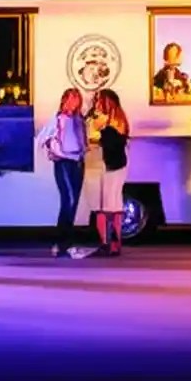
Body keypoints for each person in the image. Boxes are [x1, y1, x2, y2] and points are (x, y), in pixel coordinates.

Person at [86, 89, 130, 256]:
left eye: (100, 100)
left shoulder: (117, 120)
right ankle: (104, 242)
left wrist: (100, 131)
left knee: (111, 205)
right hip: (95, 165)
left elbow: (112, 141)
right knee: (99, 207)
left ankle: (114, 242)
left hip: (113, 166)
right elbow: (88, 137)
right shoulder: (92, 118)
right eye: (96, 99)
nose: (97, 103)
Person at [48, 88, 88, 257]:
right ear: (64, 100)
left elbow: (83, 140)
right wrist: (54, 150)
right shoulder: (58, 119)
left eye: (76, 99)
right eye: (70, 98)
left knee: (73, 203)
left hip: (77, 162)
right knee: (68, 200)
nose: (73, 102)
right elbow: (46, 137)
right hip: (63, 161)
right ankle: (63, 242)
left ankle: (63, 243)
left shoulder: (80, 119)